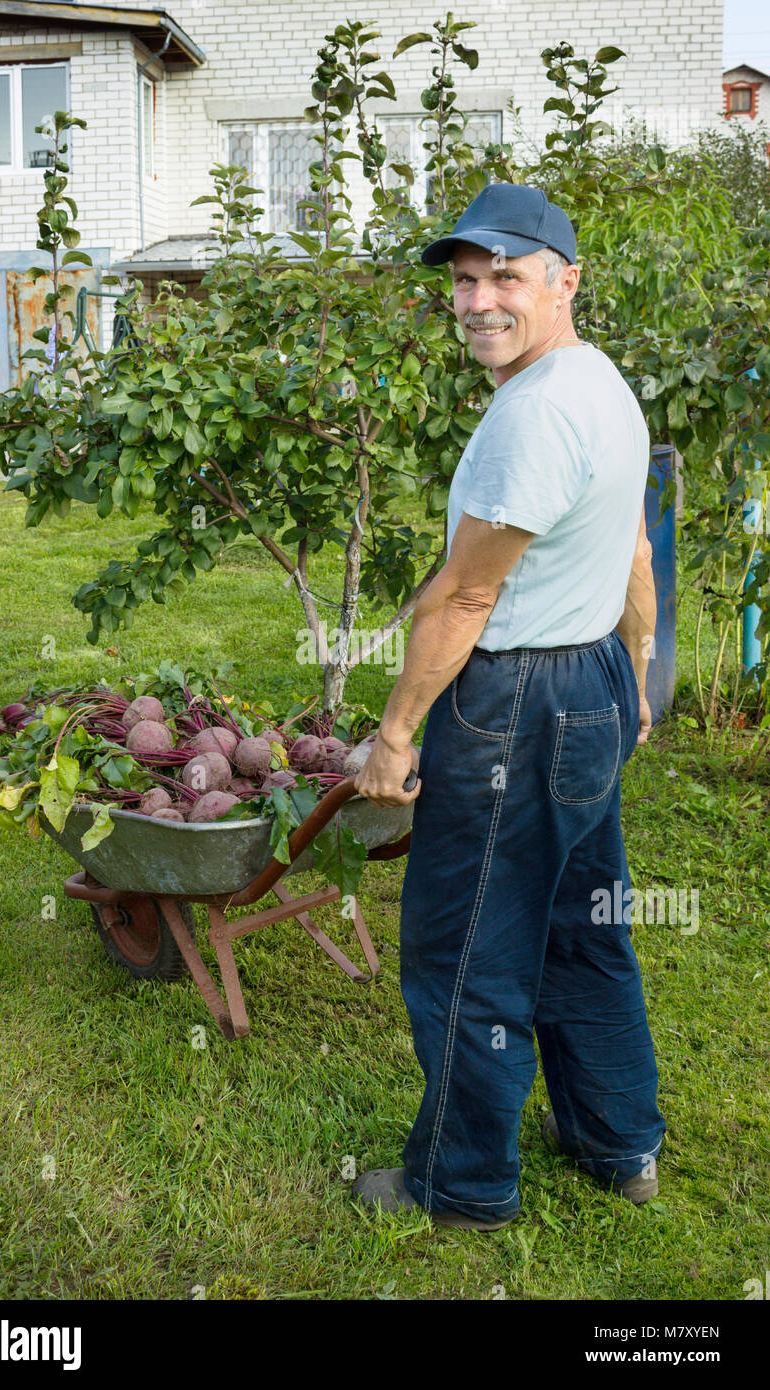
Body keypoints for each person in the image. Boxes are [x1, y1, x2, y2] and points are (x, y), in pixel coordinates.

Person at [351, 182, 666, 1232]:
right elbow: (626, 541)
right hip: (589, 683)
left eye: (506, 278)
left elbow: (469, 593)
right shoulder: (601, 383)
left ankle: (462, 1181)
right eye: (465, 280)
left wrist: (395, 734)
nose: (480, 300)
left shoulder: (533, 413)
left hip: (517, 701)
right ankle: (619, 1139)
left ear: (564, 280)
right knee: (583, 925)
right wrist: (636, 667)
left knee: (467, 945)